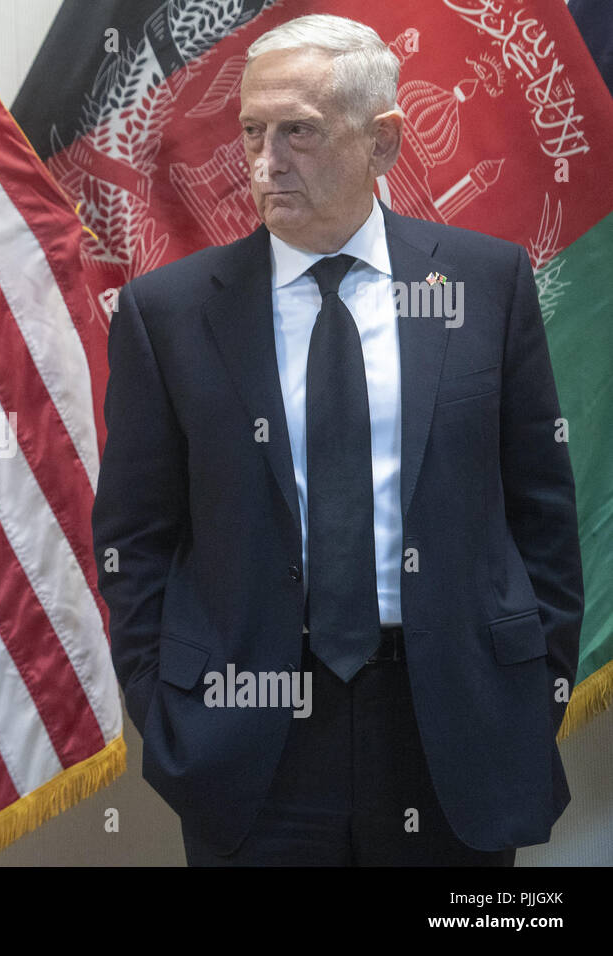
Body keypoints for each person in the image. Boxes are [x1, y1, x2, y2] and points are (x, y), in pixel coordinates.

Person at [92, 14, 582, 865]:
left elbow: (543, 513)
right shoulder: (167, 314)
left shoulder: (483, 283)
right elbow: (133, 537)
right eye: (252, 132)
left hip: (451, 725)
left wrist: (527, 692)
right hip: (248, 736)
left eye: (300, 134)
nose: (266, 163)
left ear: (384, 142)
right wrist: (168, 709)